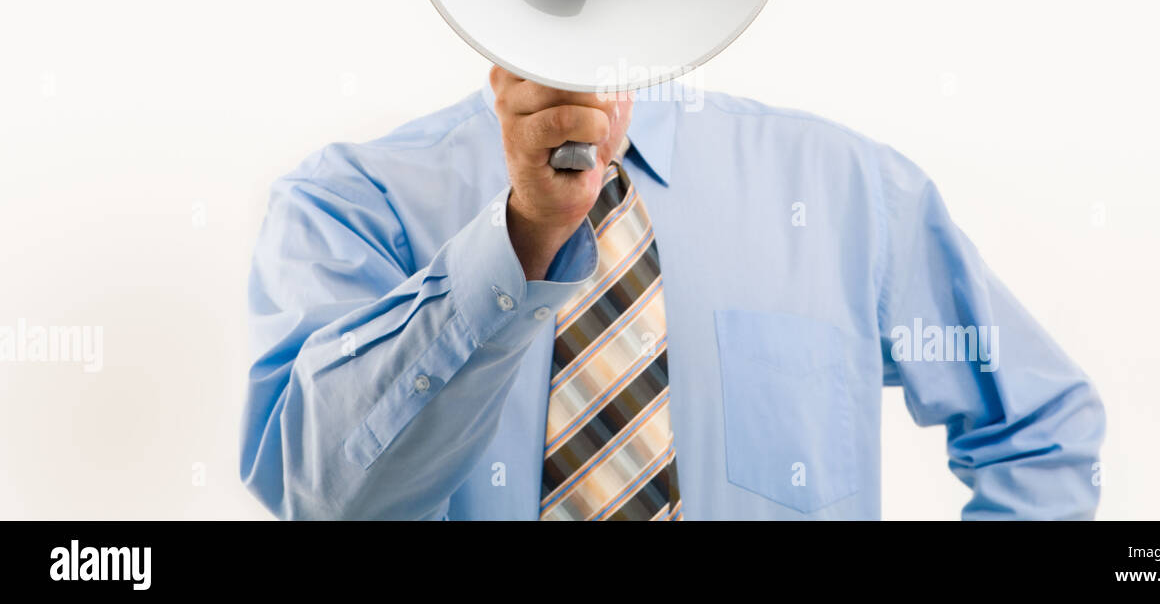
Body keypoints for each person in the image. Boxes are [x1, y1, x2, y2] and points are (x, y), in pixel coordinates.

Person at [239, 67, 1105, 520]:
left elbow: (1037, 427)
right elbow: (324, 501)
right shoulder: (351, 206)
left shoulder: (844, 189)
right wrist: (522, 234)